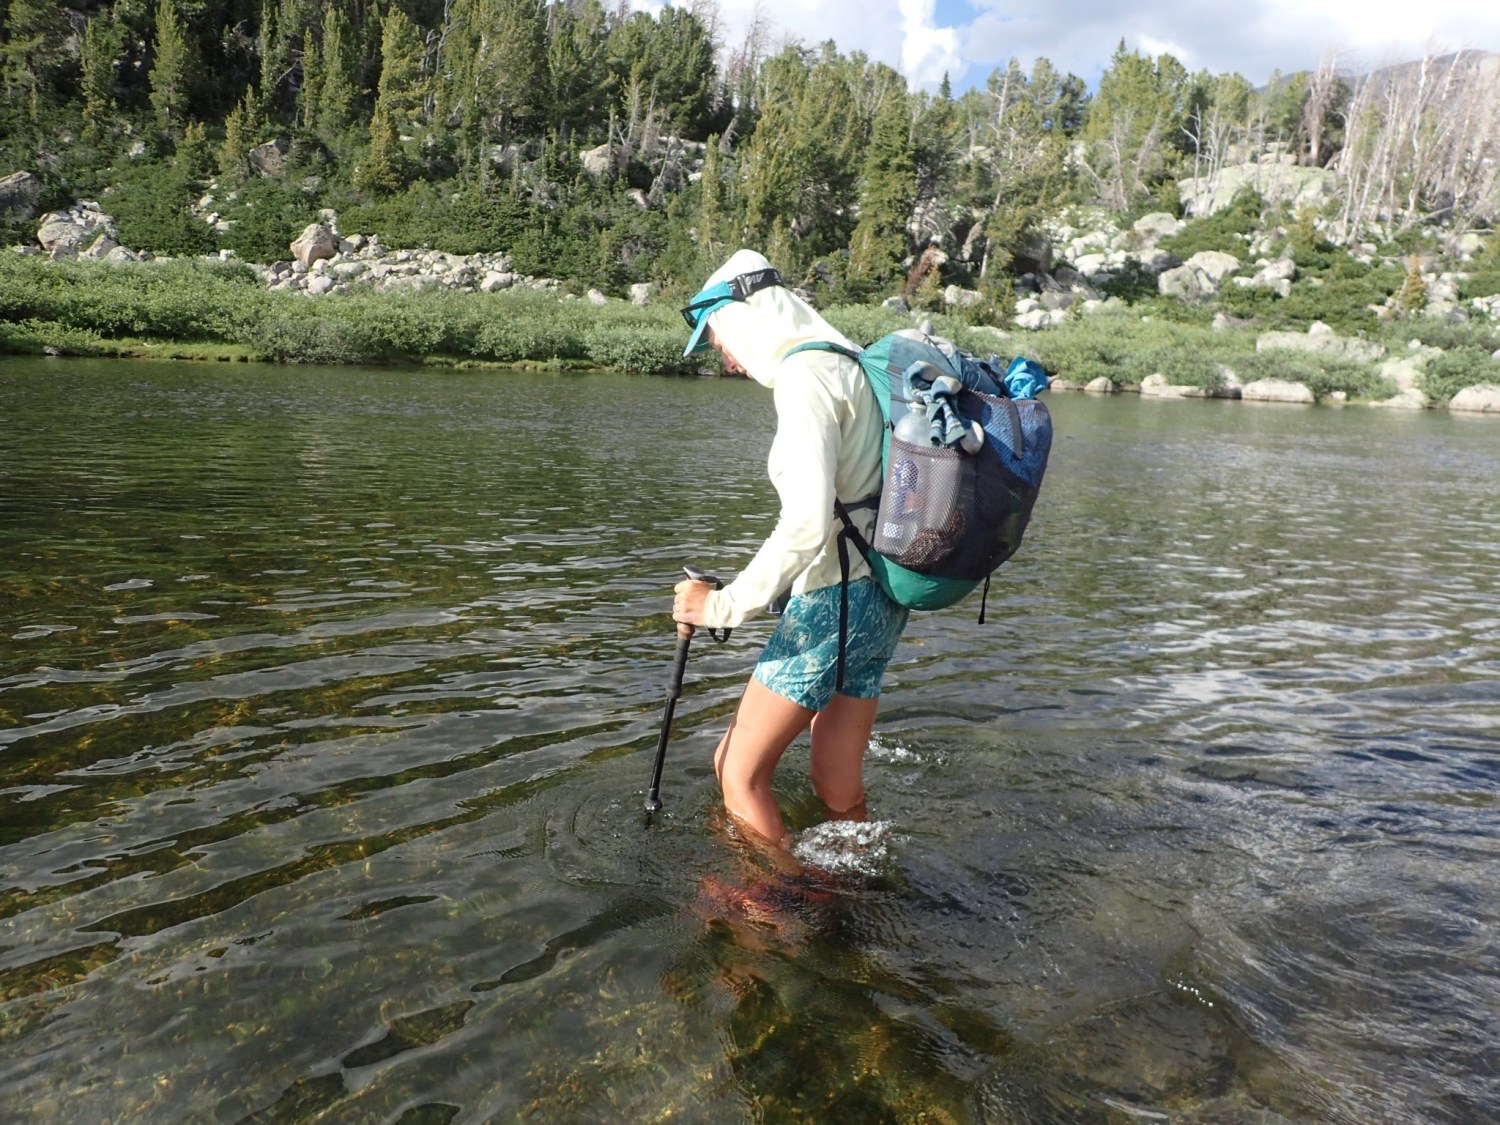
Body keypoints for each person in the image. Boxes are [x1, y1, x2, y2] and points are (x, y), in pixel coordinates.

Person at [671, 249, 909, 847]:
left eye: (720, 336)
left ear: (751, 315)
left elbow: (806, 525)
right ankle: (848, 911)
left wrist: (719, 607)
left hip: (833, 602)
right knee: (837, 786)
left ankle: (769, 924)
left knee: (737, 772)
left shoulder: (805, 380)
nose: (724, 356)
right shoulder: (851, 362)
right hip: (882, 594)